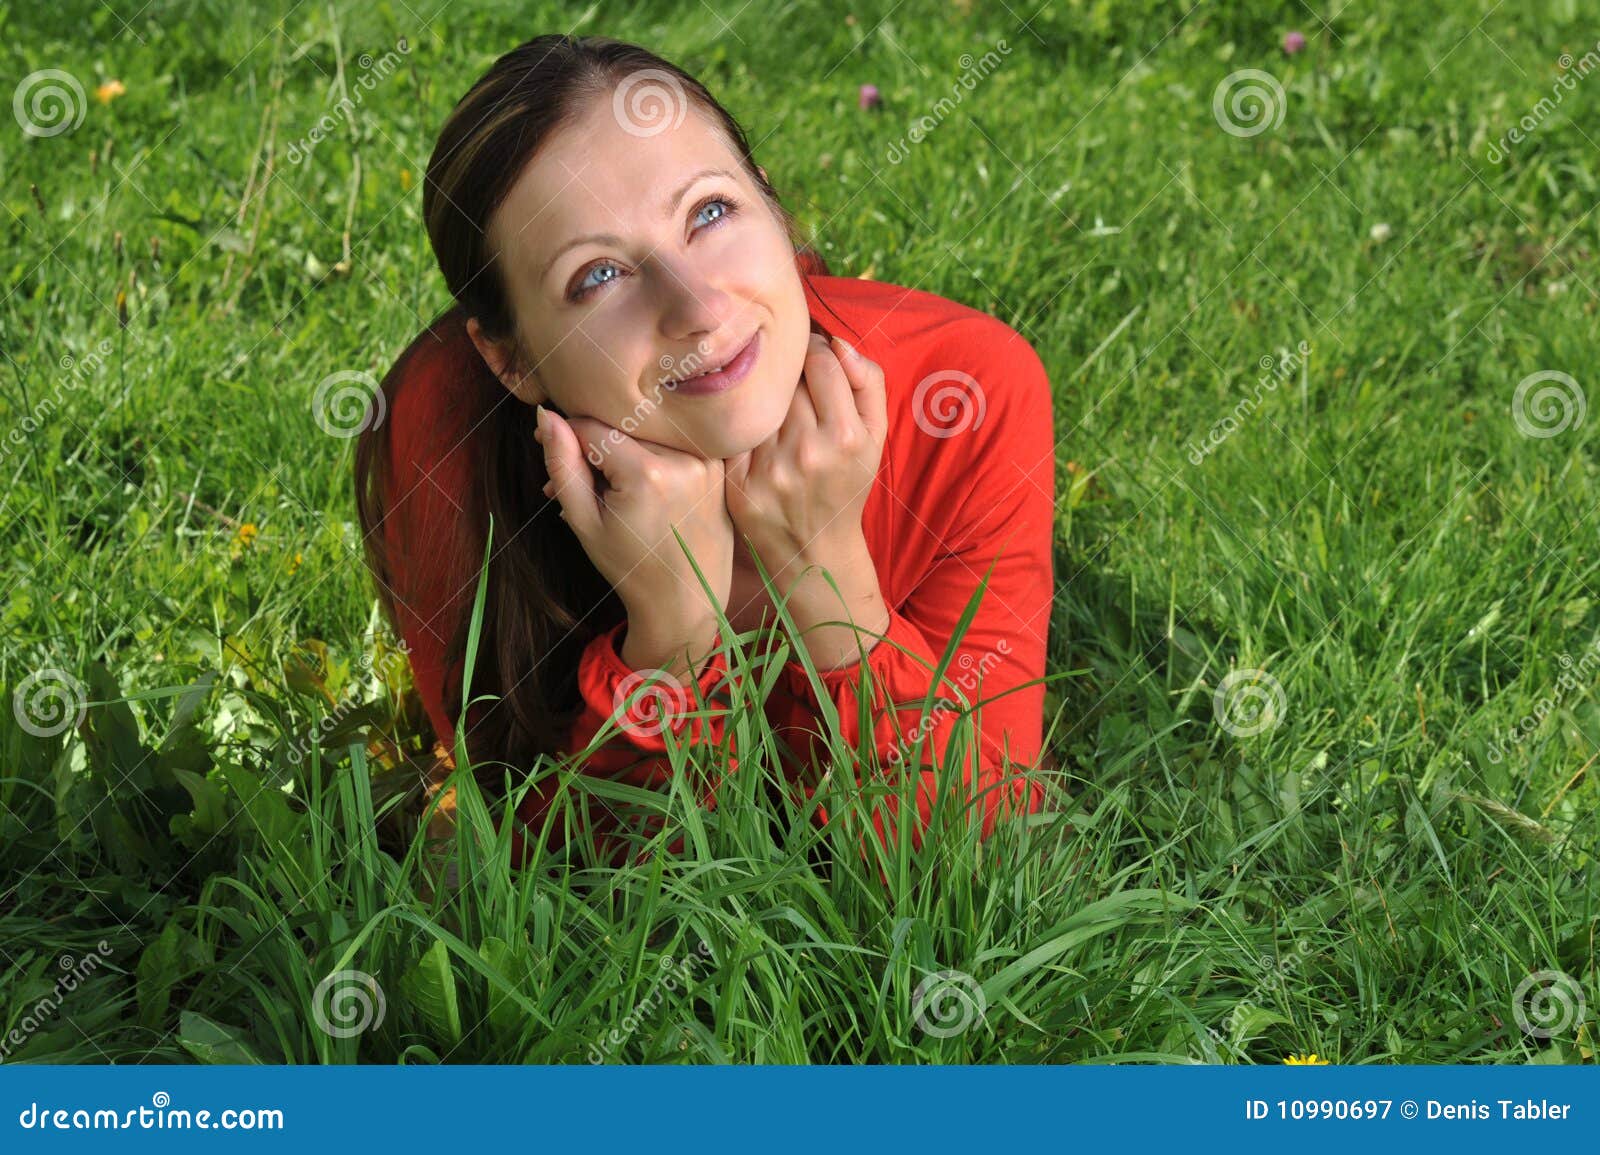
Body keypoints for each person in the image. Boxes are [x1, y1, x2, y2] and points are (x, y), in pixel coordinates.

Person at [353, 34, 1056, 866]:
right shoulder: (438, 442)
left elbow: (976, 856)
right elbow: (553, 891)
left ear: (777, 212)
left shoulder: (965, 394)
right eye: (598, 276)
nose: (696, 308)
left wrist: (825, 580)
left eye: (711, 213)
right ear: (514, 361)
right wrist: (671, 636)